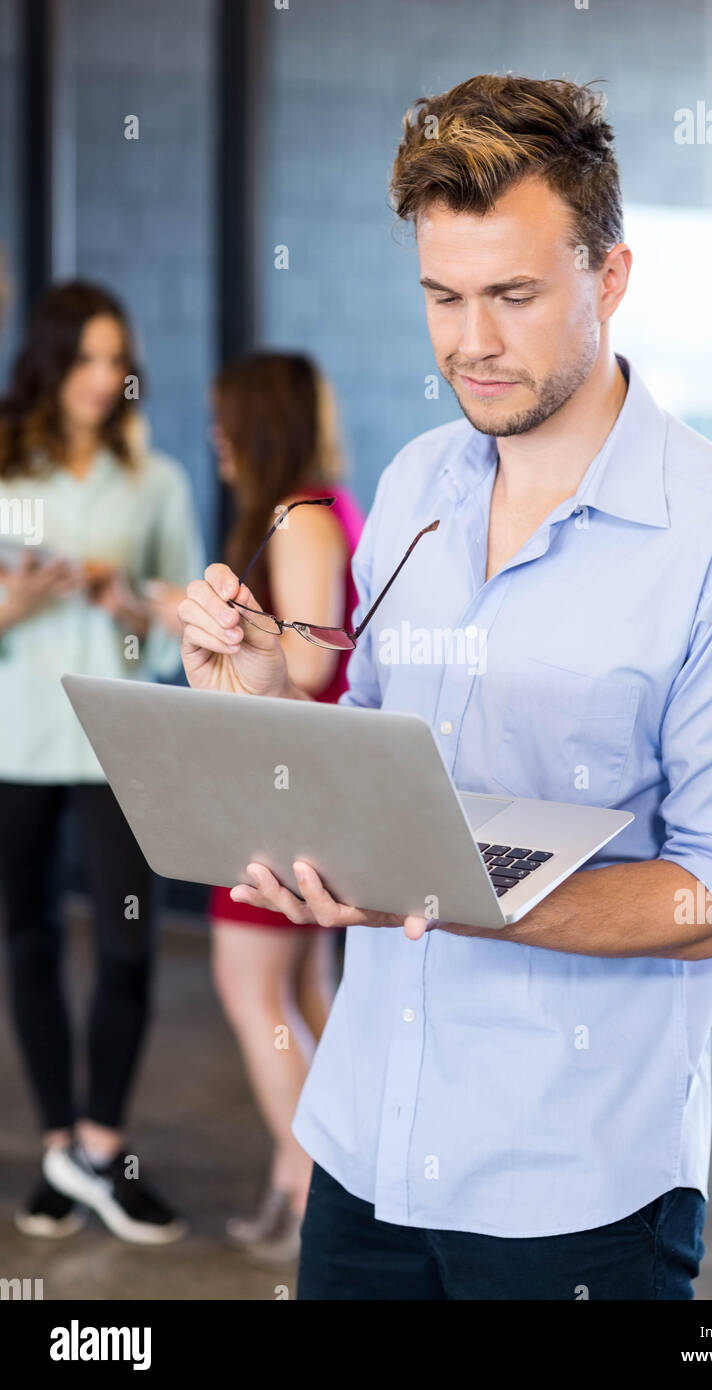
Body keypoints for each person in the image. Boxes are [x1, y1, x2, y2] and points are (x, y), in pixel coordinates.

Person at [175, 75, 712, 1299]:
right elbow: (367, 758)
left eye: (512, 296)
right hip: (364, 1151)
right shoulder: (420, 482)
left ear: (611, 275)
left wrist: (442, 885)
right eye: (441, 294)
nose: (468, 341)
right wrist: (266, 692)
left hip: (574, 1190)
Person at [0, 281, 204, 1243]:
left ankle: (102, 1148)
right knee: (27, 939)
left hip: (118, 741)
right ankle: (57, 1151)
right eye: (84, 358)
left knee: (126, 948)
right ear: (49, 363)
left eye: (115, 358)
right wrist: (16, 604)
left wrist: (131, 604)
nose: (102, 377)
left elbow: (187, 623)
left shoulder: (156, 479)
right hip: (15, 741)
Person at [206, 353, 364, 1263]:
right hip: (303, 777)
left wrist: (232, 645)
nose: (219, 440)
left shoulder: (295, 517)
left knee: (248, 985)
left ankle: (313, 1188)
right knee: (306, 988)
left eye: (228, 422)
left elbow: (303, 665)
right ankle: (306, 1173)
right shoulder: (324, 510)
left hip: (279, 781)